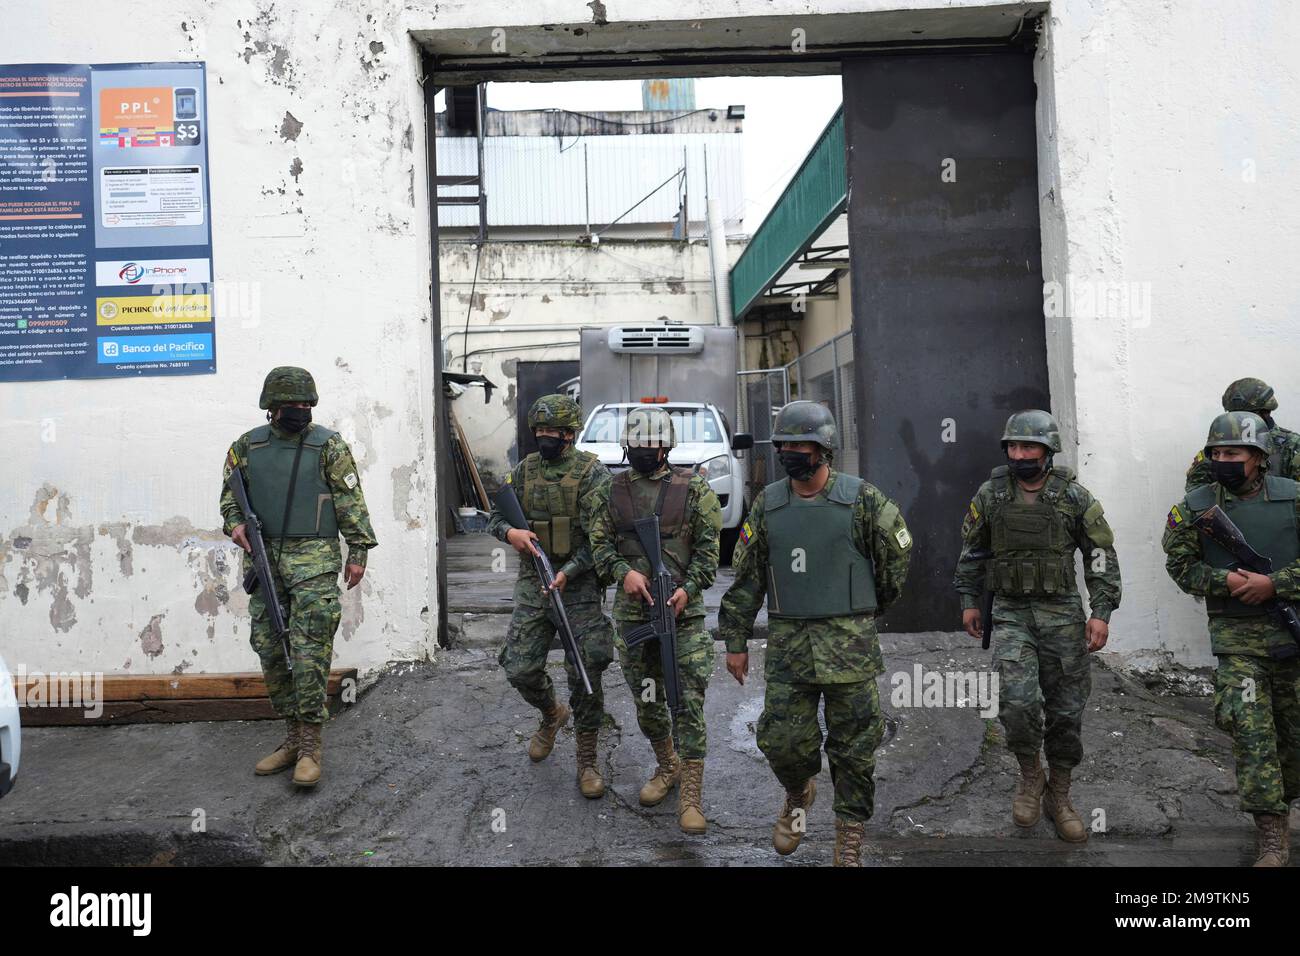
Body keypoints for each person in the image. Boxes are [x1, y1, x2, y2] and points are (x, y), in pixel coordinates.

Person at [720, 400, 913, 866]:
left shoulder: (862, 499)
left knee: (854, 750)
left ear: (823, 449)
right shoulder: (769, 503)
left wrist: (866, 610)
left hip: (850, 652)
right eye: (783, 443)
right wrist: (736, 641)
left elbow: (896, 560)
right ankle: (798, 792)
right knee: (783, 743)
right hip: (790, 651)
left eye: (800, 444)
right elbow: (747, 577)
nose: (790, 451)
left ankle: (848, 836)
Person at [953, 409, 1120, 842]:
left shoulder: (1073, 497)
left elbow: (1099, 555)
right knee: (1017, 700)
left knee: (1066, 709)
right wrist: (970, 601)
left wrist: (1101, 611)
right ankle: (1031, 776)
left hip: (1062, 614)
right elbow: (973, 550)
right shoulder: (991, 494)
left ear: (1047, 451)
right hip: (1010, 612)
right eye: (1013, 446)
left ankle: (1059, 793)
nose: (1019, 454)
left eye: (1028, 447)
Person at [220, 366, 377, 788]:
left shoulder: (328, 446)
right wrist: (234, 524)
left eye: (307, 404)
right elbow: (229, 501)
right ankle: (290, 738)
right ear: (272, 408)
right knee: (271, 650)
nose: (301, 411)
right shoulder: (246, 447)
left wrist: (358, 548)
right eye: (292, 405)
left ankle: (310, 747)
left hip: (313, 562)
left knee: (308, 652)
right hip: (265, 562)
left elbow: (350, 500)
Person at [1164, 411, 1300, 866]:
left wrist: (1275, 585)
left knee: (1292, 738)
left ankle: (1283, 800)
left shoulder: (1294, 499)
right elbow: (1180, 567)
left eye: (1233, 453)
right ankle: (1271, 835)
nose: (1223, 460)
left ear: (1259, 458)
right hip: (1237, 636)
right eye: (1216, 453)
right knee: (1251, 729)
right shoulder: (1196, 506)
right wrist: (1227, 581)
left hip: (1291, 631)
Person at [589, 405, 722, 833]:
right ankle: (668, 765)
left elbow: (709, 552)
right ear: (627, 446)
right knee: (647, 700)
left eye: (653, 444)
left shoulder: (694, 490)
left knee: (687, 702)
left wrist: (688, 588)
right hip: (633, 615)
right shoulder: (610, 491)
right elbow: (599, 544)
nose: (646, 451)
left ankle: (691, 797)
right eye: (639, 445)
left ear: (666, 446)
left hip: (682, 614)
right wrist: (621, 572)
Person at [486, 394, 616, 798]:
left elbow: (602, 537)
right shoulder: (524, 471)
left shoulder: (593, 474)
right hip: (534, 579)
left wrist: (569, 571)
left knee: (586, 669)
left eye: (553, 432)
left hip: (576, 583)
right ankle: (551, 713)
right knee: (520, 667)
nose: (545, 438)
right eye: (539, 431)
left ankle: (588, 757)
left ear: (570, 434)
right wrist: (511, 533)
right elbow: (495, 516)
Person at [1186, 378, 1300, 487]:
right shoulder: (1220, 444)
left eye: (1246, 414)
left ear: (1266, 412)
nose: (1238, 420)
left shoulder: (1292, 445)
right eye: (1234, 414)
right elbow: (1196, 486)